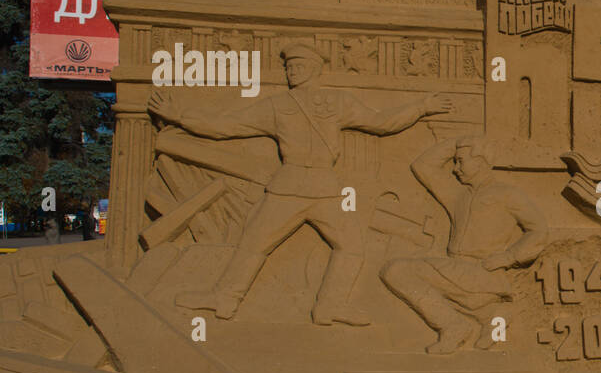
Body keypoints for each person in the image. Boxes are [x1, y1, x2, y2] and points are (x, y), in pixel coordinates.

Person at [148, 42, 451, 324]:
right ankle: (225, 299)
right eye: (289, 67)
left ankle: (329, 305)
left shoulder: (337, 102)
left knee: (350, 246)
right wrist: (180, 117)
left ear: (316, 69)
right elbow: (225, 127)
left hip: (321, 189)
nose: (292, 71)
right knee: (255, 243)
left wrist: (421, 107)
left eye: (300, 66)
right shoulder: (278, 105)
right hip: (290, 187)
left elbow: (382, 123)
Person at [380, 136, 547, 353]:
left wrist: (508, 257)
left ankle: (454, 325)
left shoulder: (507, 194)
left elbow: (539, 230)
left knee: (397, 271)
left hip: (482, 271)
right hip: (458, 270)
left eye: (460, 161)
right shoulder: (457, 195)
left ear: (480, 161)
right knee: (410, 273)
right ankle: (492, 315)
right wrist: (459, 142)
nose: (455, 168)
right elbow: (422, 166)